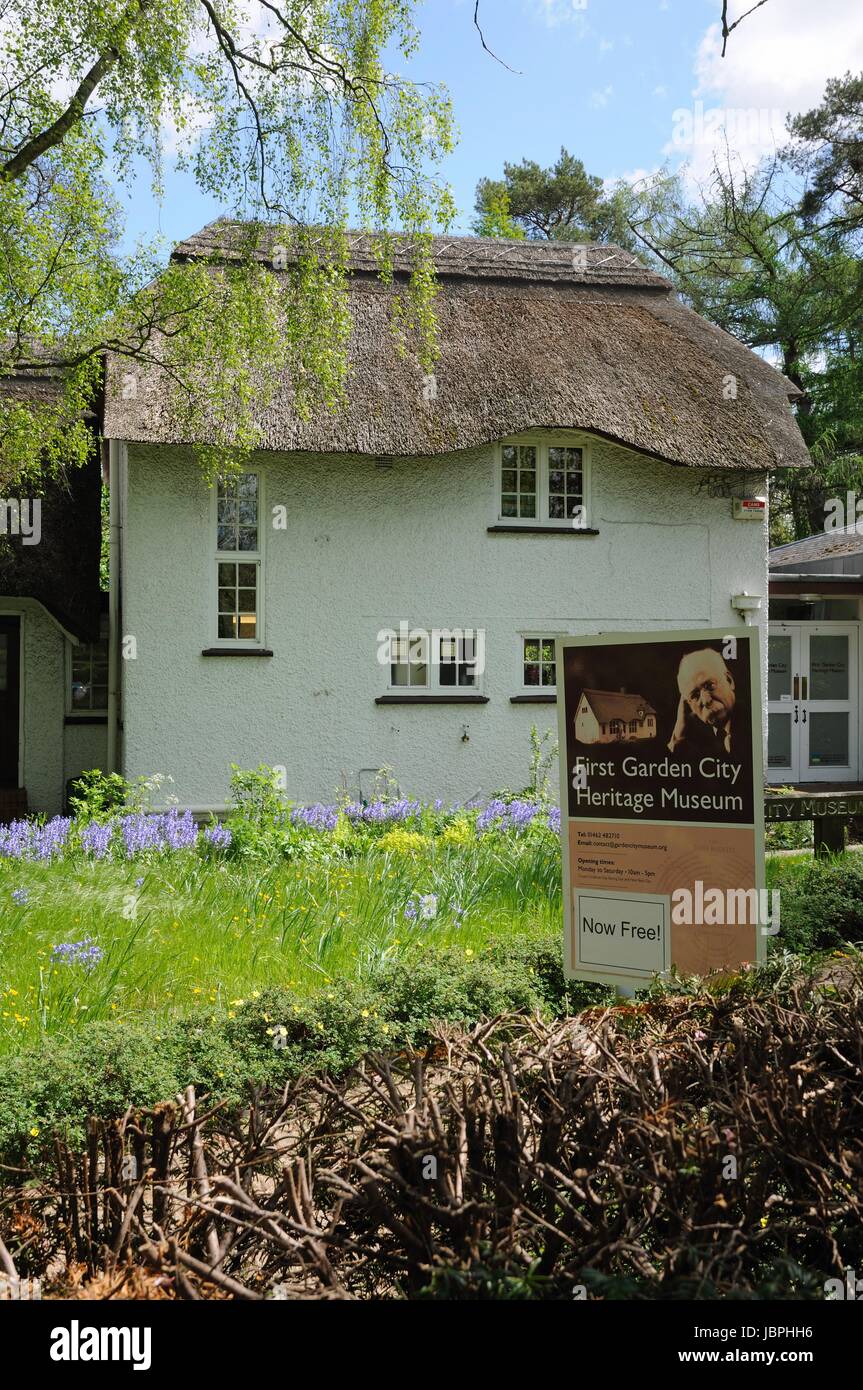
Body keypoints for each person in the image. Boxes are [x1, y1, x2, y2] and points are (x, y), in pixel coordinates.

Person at [667, 648, 737, 757]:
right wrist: (680, 731)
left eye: (710, 686)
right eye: (694, 695)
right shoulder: (697, 740)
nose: (705, 701)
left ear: (729, 680)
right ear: (688, 705)